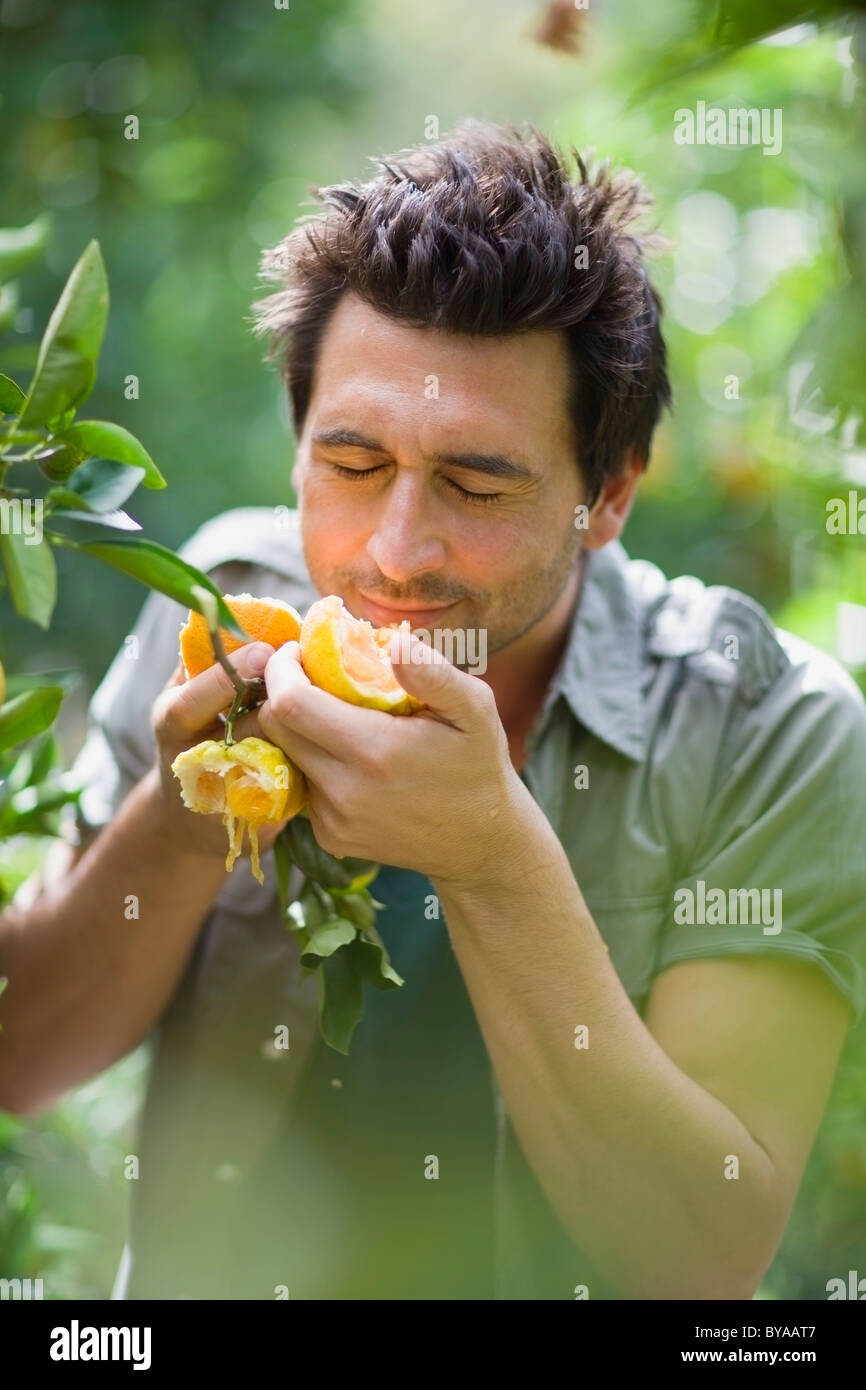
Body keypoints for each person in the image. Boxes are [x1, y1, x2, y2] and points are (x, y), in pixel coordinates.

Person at [1, 119, 865, 1301]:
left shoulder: (771, 725)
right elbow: (21, 1051)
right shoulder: (222, 606)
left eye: (474, 483)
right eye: (353, 467)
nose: (396, 554)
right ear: (298, 447)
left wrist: (493, 856)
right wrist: (184, 817)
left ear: (604, 496)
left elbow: (698, 1256)